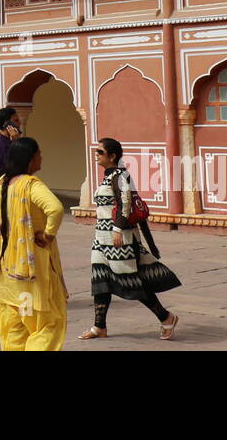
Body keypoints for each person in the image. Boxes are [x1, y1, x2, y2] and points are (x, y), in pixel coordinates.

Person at [81, 137, 180, 340]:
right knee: (100, 278)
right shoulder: (109, 176)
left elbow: (126, 203)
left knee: (131, 281)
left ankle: (166, 317)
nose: (96, 155)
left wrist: (118, 228)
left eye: (100, 152)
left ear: (112, 156)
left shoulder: (120, 176)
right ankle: (99, 326)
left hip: (119, 238)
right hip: (102, 238)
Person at [0, 137, 68, 350]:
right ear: (30, 159)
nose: (41, 158)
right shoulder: (30, 186)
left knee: (14, 332)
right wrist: (48, 235)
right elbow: (55, 209)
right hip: (31, 276)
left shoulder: (1, 183)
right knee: (46, 326)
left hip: (7, 275)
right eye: (39, 154)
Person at [0, 107, 22, 311]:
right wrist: (16, 143)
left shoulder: (9, 143)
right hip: (5, 196)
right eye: (16, 120)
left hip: (14, 196)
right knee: (1, 243)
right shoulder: (1, 145)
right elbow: (12, 169)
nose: (19, 123)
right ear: (8, 124)